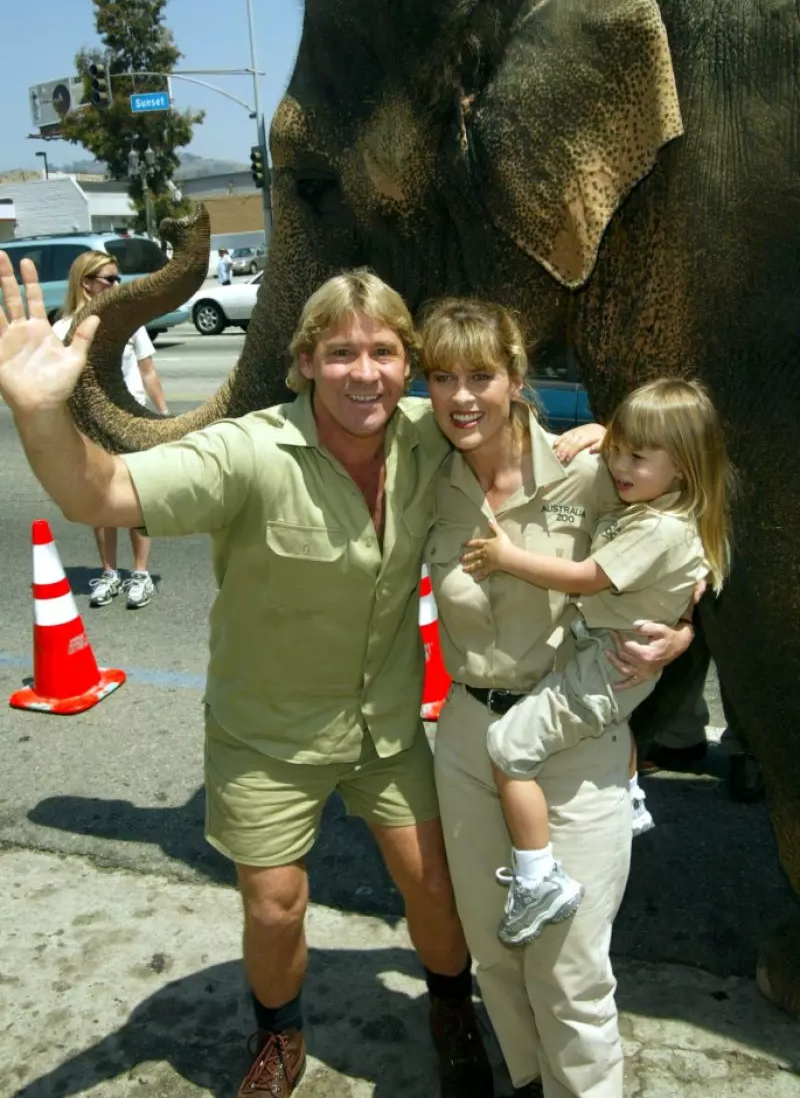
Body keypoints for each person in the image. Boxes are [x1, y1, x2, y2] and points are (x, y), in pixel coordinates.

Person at [0, 256, 496, 1098]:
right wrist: (40, 412)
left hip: (386, 723)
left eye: (382, 351)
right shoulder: (247, 453)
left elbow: (531, 448)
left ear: (408, 363)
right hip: (266, 732)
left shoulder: (431, 434)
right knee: (274, 908)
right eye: (340, 353)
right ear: (304, 362)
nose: (363, 372)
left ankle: (451, 1008)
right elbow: (103, 491)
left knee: (437, 885)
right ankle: (278, 1037)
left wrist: (589, 444)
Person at [418, 297, 695, 1098]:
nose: (462, 397)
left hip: (570, 740)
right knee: (496, 953)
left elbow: (688, 531)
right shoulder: (427, 481)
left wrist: (680, 631)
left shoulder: (592, 468)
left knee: (571, 971)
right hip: (471, 737)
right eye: (442, 377)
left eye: (480, 375)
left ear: (516, 379)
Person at [459, 378, 732, 946]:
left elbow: (589, 577)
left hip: (607, 663)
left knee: (509, 749)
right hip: (610, 659)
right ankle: (631, 795)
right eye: (619, 450)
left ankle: (538, 878)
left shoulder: (657, 526)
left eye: (637, 455)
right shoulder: (656, 503)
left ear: (681, 467)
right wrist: (607, 435)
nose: (619, 464)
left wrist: (508, 557)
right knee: (615, 717)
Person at [53, 251, 169, 610]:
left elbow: (148, 371)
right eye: (109, 279)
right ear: (86, 283)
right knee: (101, 503)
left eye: (118, 278)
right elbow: (60, 384)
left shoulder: (127, 321)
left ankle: (140, 574)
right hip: (90, 427)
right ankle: (109, 573)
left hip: (132, 421)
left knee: (137, 499)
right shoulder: (64, 329)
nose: (118, 285)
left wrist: (163, 415)